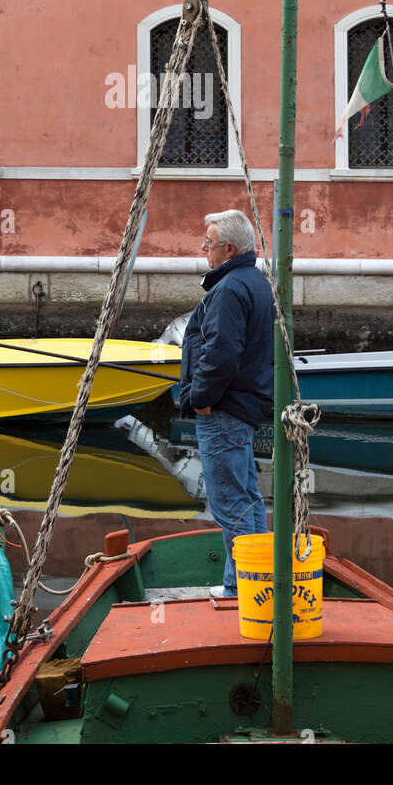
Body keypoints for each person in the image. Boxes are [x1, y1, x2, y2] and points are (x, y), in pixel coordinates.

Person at [179, 209, 274, 599]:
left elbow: (221, 354)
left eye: (209, 243)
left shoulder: (230, 289)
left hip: (223, 412)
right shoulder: (254, 282)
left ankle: (242, 591)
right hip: (240, 410)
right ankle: (260, 581)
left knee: (230, 505)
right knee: (247, 499)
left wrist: (200, 399)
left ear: (229, 249)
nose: (204, 250)